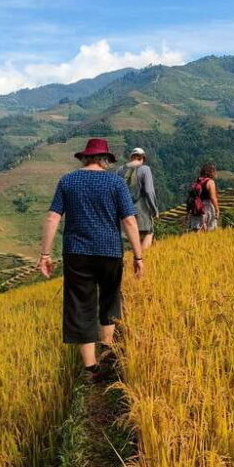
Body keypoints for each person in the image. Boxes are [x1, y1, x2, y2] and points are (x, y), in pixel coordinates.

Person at [38, 138, 143, 384]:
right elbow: (129, 221)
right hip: (109, 252)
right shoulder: (116, 182)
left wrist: (45, 254)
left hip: (77, 253)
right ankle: (106, 354)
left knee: (80, 305)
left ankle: (91, 367)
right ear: (105, 159)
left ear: (84, 157)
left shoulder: (68, 181)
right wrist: (139, 255)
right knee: (109, 300)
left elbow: (53, 217)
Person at [117, 147, 159, 251]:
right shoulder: (145, 169)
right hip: (141, 211)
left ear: (131, 158)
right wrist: (154, 210)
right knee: (149, 233)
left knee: (130, 239)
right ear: (143, 158)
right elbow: (149, 191)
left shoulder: (120, 170)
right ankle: (143, 259)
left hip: (124, 212)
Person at [187, 162, 220, 231]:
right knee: (209, 230)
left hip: (196, 208)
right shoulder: (210, 182)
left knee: (197, 231)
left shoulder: (197, 181)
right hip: (207, 207)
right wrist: (217, 209)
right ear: (211, 172)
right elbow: (213, 198)